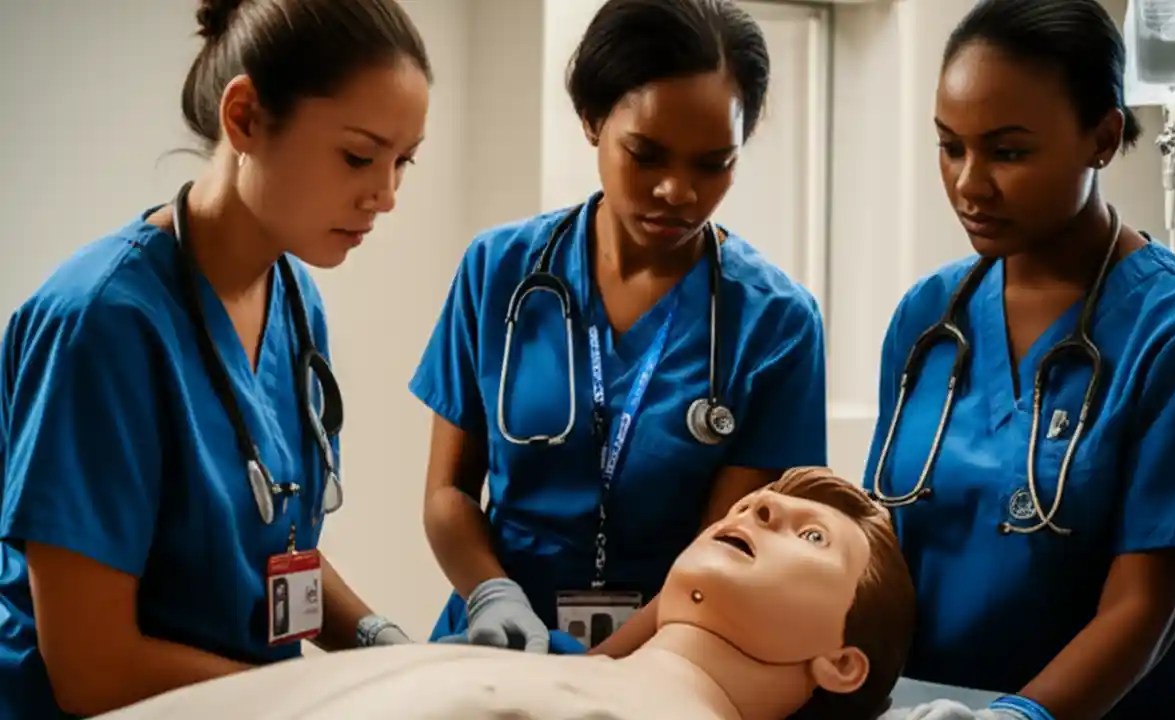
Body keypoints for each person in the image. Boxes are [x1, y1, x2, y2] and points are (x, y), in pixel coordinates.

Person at [0, 1, 432, 717]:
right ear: (245, 120)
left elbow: (271, 546)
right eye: (359, 156)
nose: (386, 195)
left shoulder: (295, 298)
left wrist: (384, 645)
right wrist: (322, 693)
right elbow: (91, 668)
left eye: (403, 161)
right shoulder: (100, 325)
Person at [863, 1, 1175, 718]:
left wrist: (1014, 719)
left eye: (1008, 152)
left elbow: (1145, 608)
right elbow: (884, 548)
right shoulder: (929, 320)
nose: (969, 182)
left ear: (1103, 138)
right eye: (950, 146)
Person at [412, 0, 828, 658]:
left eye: (713, 163)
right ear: (591, 119)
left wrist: (595, 674)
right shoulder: (499, 271)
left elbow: (727, 557)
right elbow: (449, 493)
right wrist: (493, 594)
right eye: (647, 154)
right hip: (494, 644)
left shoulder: (775, 322)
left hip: (672, 656)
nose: (678, 191)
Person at [93, 468, 915, 720]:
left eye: (812, 538)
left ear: (841, 665)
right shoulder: (612, 684)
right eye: (751, 505)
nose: (760, 504)